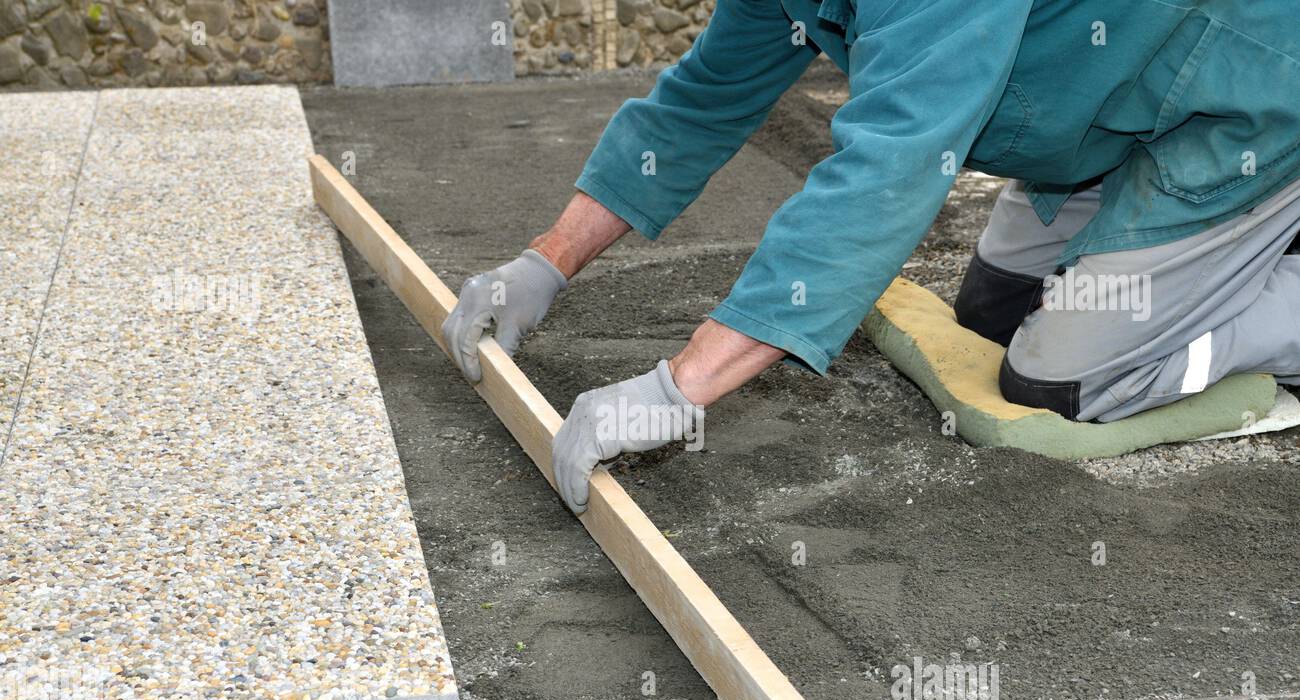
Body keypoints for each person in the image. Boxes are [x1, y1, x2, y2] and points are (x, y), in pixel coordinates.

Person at [442, 0, 1300, 514]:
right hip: (1111, 118)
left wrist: (683, 386)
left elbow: (889, 161)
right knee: (992, 320)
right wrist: (545, 264)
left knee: (1063, 383)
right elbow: (700, 105)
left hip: (1241, 105)